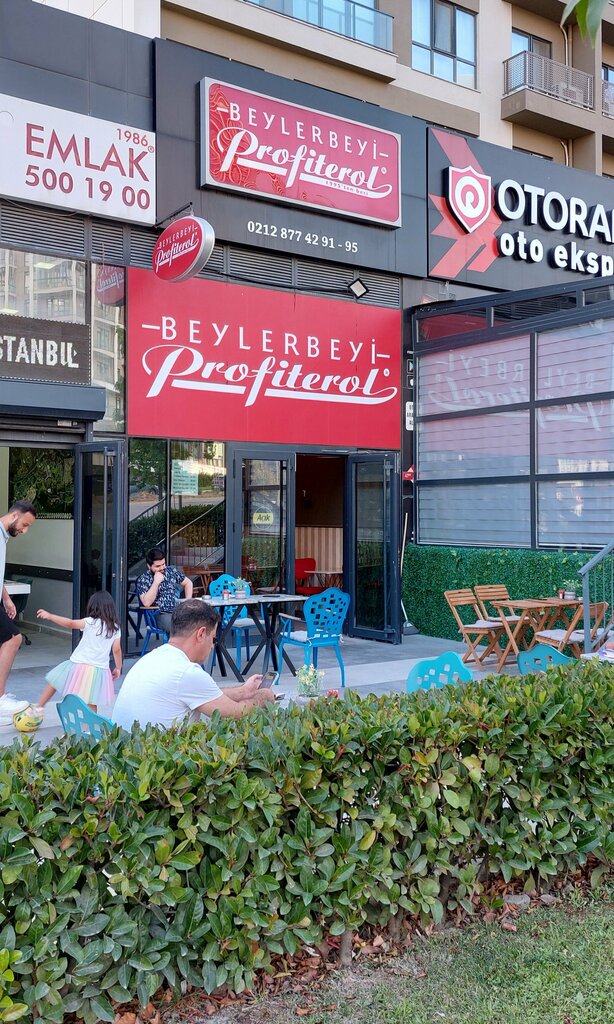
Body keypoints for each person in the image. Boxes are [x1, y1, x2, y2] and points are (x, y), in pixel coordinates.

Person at [111, 599, 274, 730]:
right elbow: (238, 713)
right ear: (201, 634)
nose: (212, 646)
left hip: (131, 756)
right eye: (213, 638)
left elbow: (205, 695)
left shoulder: (153, 658)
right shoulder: (187, 673)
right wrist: (264, 697)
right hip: (159, 765)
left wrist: (243, 691)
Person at [35, 590, 122, 714]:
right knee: (91, 700)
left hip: (78, 665)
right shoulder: (115, 627)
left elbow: (70, 623)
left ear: (93, 606)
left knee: (54, 681)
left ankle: (39, 707)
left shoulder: (90, 622)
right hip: (99, 669)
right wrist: (118, 667)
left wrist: (50, 616)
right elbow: (117, 649)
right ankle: (90, 729)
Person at [0, 500, 37, 721]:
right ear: (15, 516)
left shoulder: (3, 537)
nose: (24, 530)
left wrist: (6, 598)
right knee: (14, 638)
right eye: (25, 524)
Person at [136, 548, 193, 634]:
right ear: (149, 566)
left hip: (177, 612)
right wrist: (156, 582)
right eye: (158, 566)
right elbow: (146, 603)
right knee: (180, 627)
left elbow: (188, 583)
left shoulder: (170, 571)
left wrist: (188, 602)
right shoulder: (143, 579)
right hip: (158, 614)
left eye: (163, 564)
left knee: (200, 622)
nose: (162, 568)